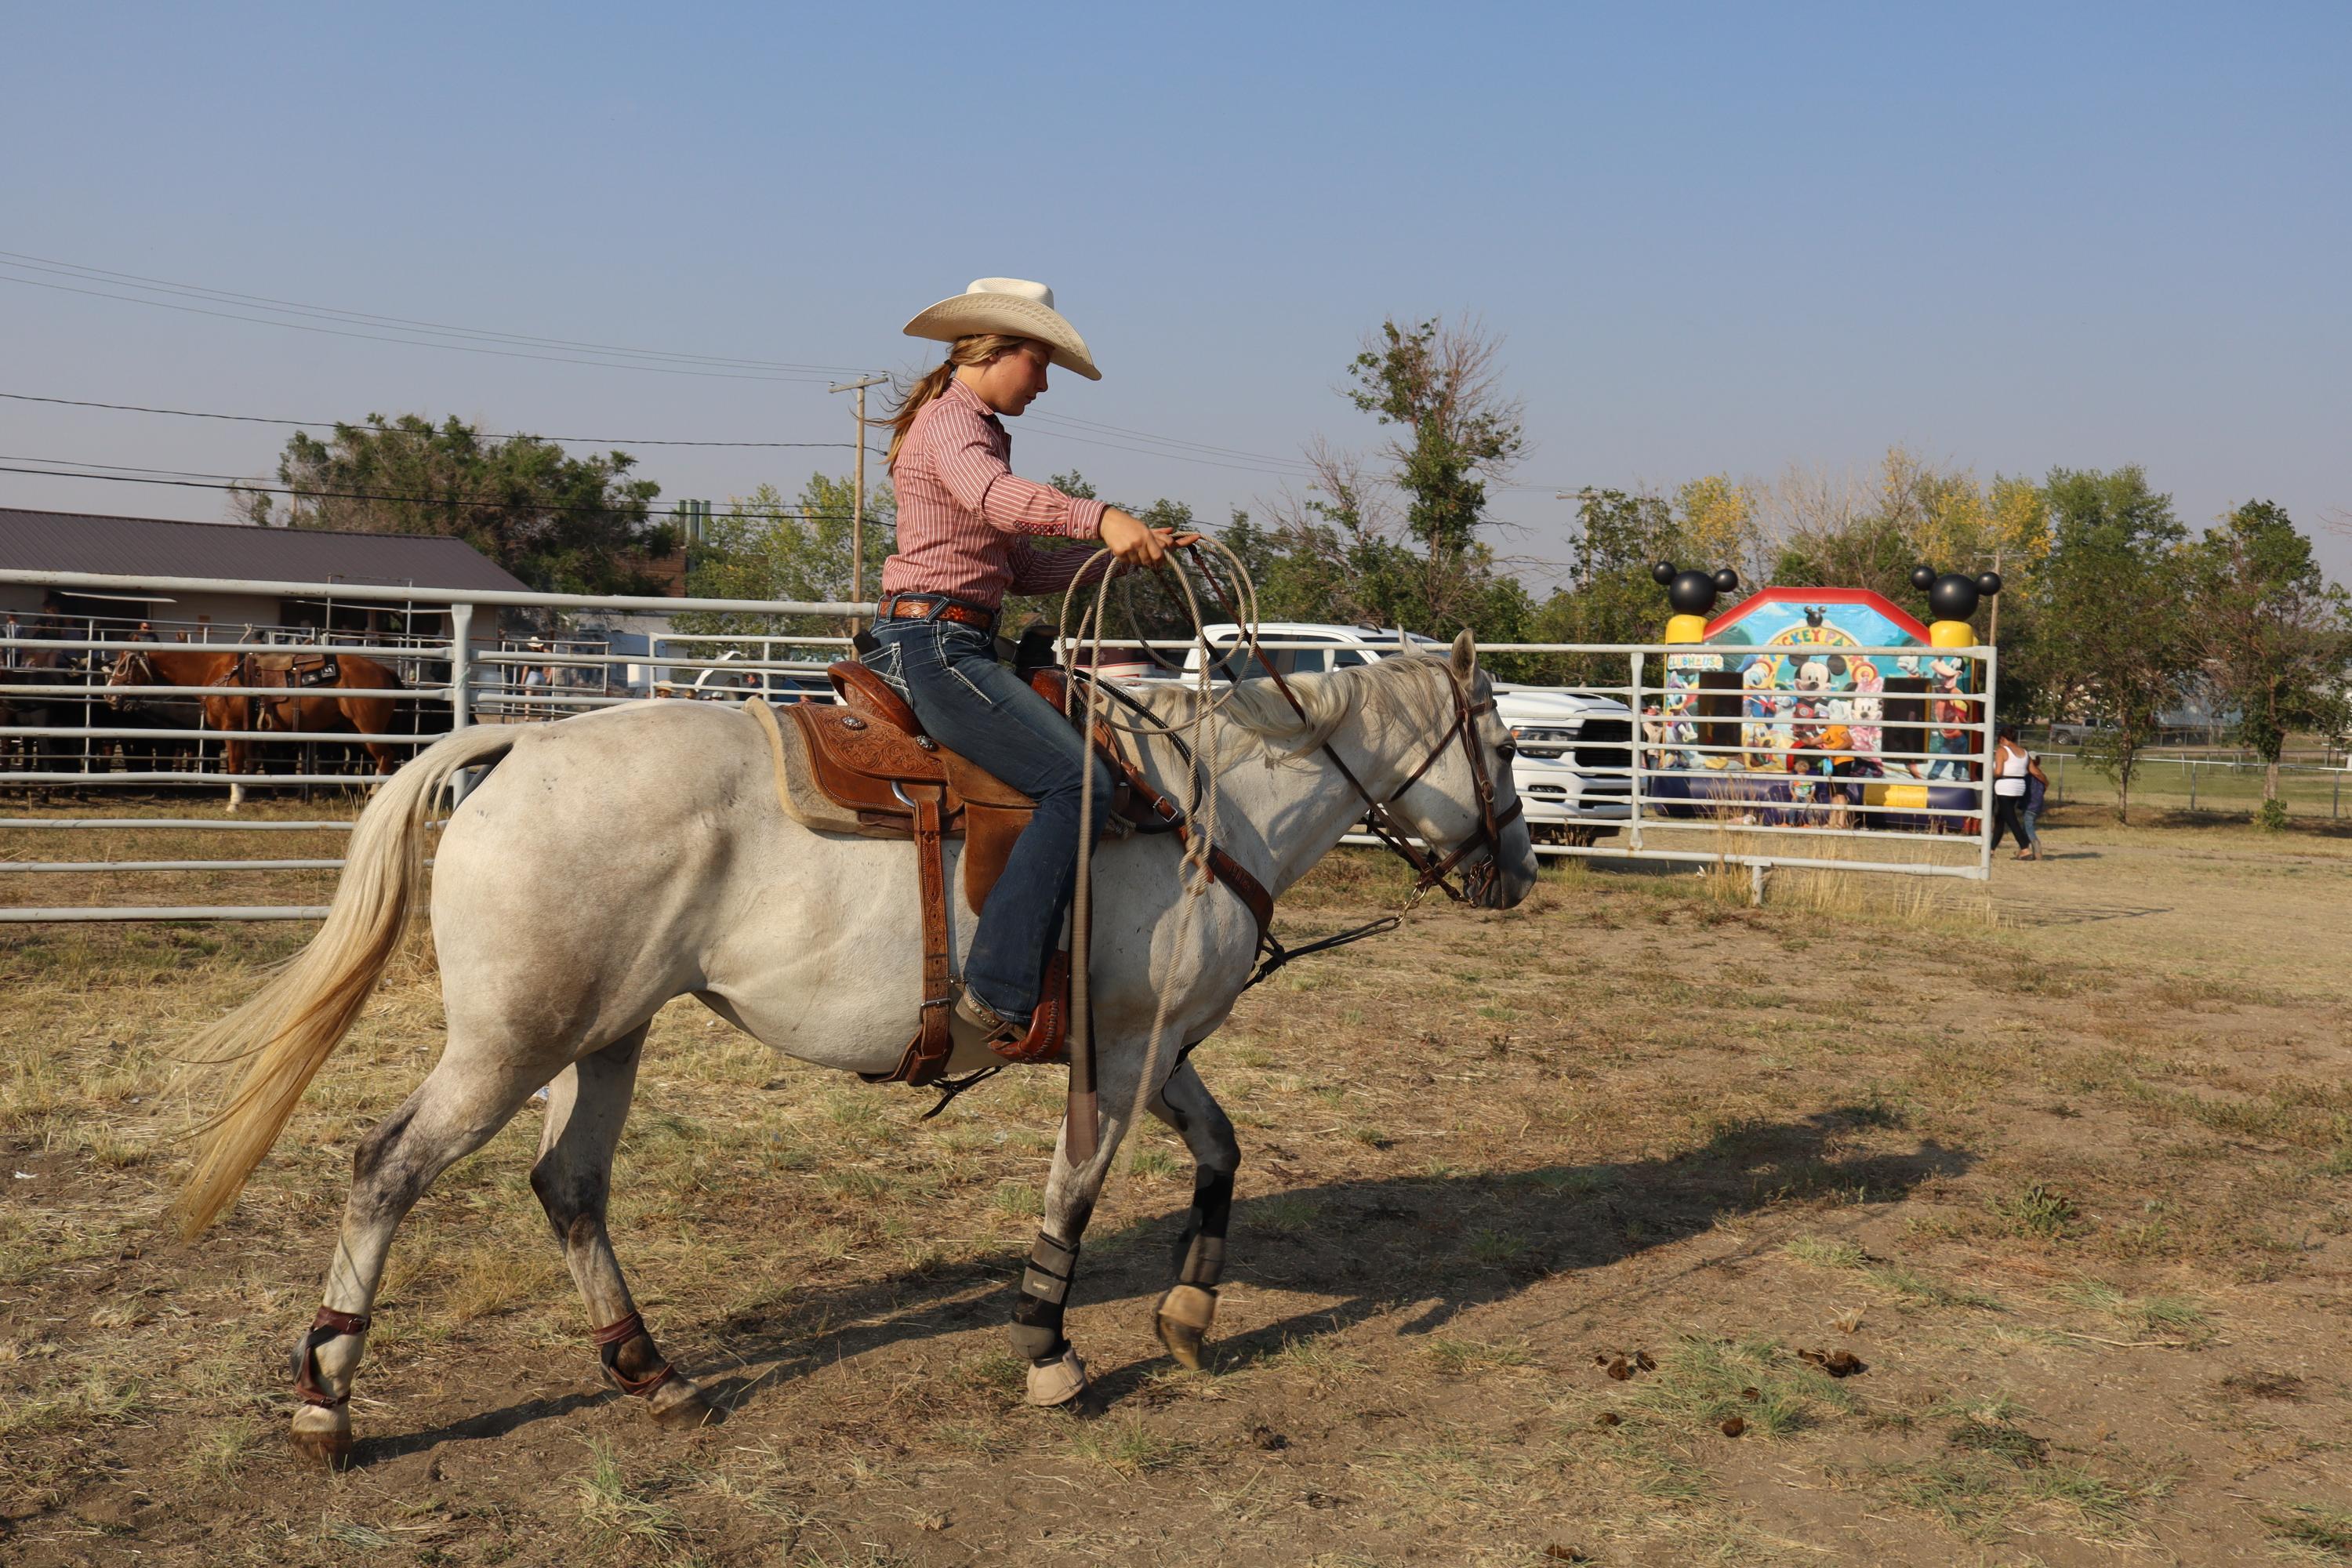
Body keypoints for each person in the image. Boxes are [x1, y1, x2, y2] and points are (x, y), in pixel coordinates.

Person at [861, 278, 1192, 1042]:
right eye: (1037, 363)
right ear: (993, 348)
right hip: (936, 644)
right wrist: (1103, 517)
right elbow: (998, 499)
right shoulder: (953, 424)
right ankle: (1001, 984)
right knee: (1082, 782)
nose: (1043, 383)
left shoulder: (967, 425)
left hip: (951, 634)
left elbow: (1022, 567)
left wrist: (1126, 557)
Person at [1990, 724, 2045, 860]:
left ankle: (2024, 848)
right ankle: (1991, 849)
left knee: (2011, 819)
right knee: (2000, 818)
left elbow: (1998, 772)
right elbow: (2035, 771)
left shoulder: (2002, 751)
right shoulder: (2024, 752)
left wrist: (1988, 772)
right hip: (2019, 787)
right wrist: (2045, 782)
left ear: (2002, 738)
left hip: (2004, 787)